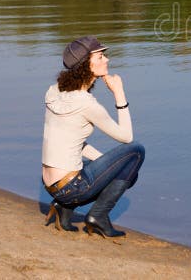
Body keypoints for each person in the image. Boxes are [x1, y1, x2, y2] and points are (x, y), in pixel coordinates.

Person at [42, 36, 145, 237]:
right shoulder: (86, 104)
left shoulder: (54, 92)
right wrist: (119, 93)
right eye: (99, 57)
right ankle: (98, 215)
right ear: (85, 66)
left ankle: (64, 207)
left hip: (51, 185)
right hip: (71, 188)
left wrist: (109, 165)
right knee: (136, 152)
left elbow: (73, 142)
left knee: (125, 169)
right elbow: (126, 137)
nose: (106, 60)